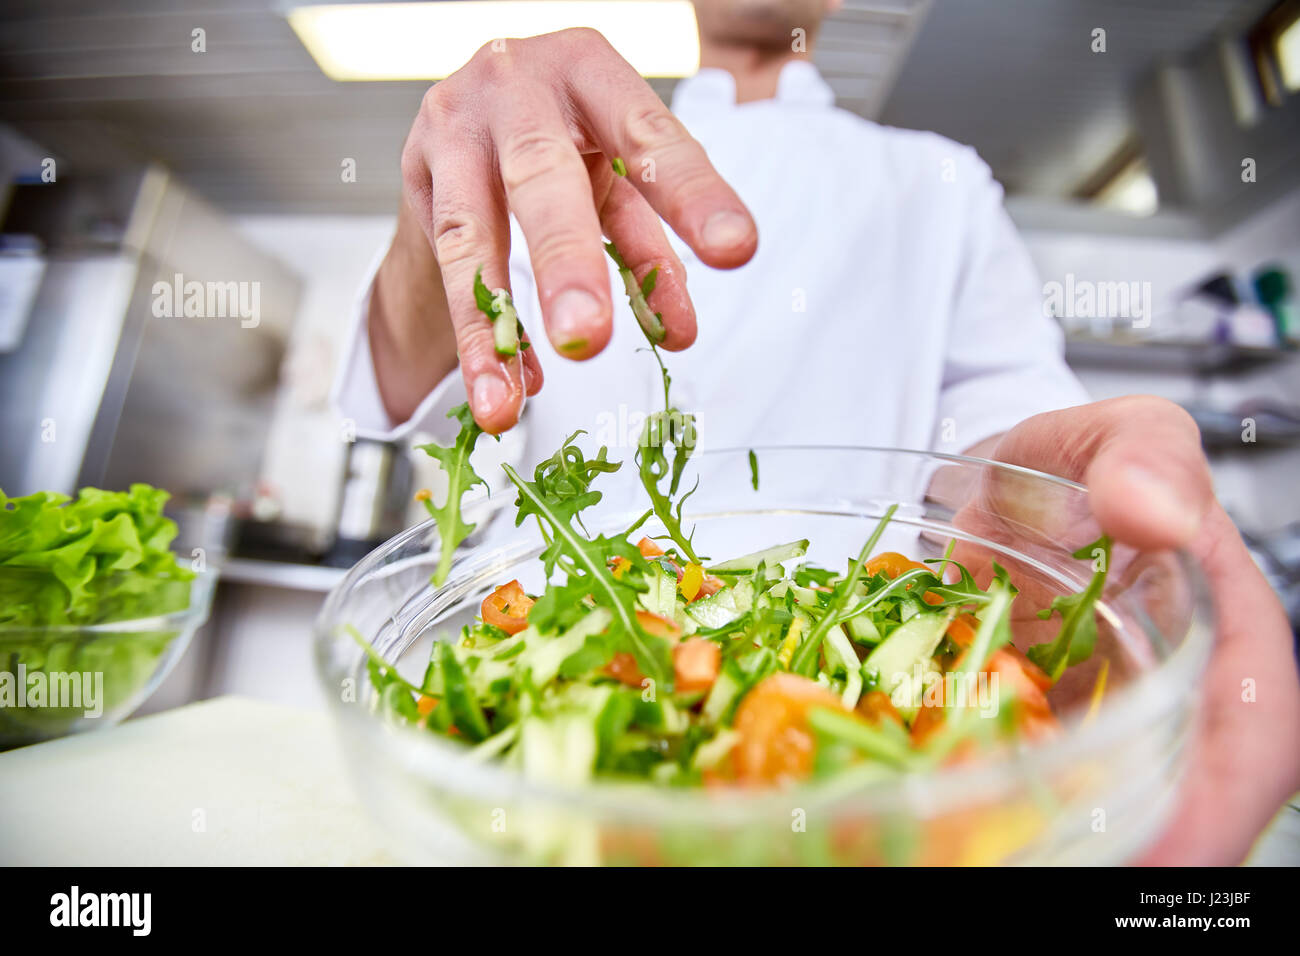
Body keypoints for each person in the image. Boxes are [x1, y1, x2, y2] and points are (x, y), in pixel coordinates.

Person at [333, 1, 1299, 863]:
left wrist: (1062, 514)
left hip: (856, 767)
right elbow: (393, 382)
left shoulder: (940, 181)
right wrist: (444, 211)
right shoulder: (550, 144)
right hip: (540, 758)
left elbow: (1004, 450)